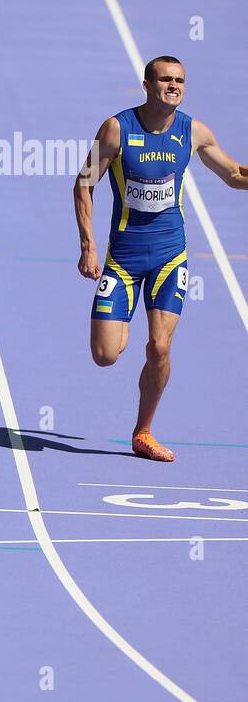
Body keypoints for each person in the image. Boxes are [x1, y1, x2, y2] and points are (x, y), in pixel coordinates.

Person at [74, 55, 248, 462]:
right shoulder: (117, 129)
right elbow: (84, 184)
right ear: (147, 85)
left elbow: (234, 174)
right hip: (123, 260)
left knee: (159, 347)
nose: (173, 86)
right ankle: (122, 322)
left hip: (170, 257)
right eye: (166, 79)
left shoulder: (193, 131)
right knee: (105, 355)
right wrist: (88, 246)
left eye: (180, 81)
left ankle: (143, 432)